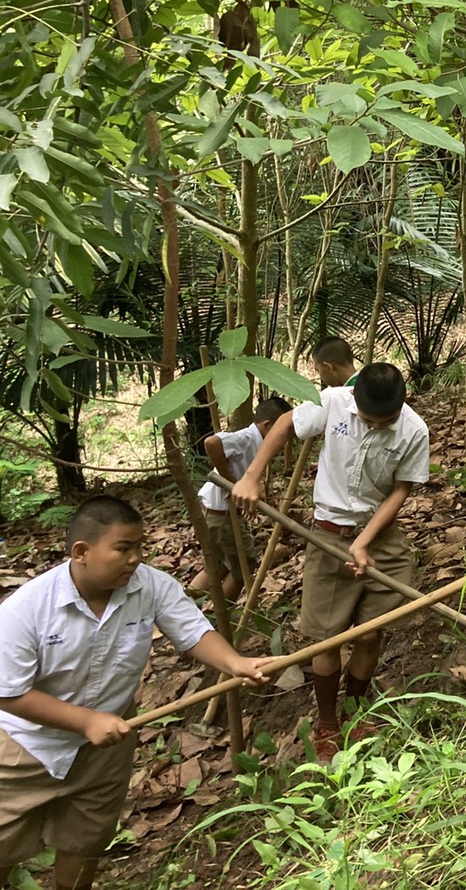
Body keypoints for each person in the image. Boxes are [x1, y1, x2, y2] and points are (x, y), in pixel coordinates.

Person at [0, 496, 273, 890]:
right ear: (81, 552)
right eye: (123, 548)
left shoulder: (151, 586)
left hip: (105, 745)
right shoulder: (26, 609)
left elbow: (193, 630)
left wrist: (235, 663)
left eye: (140, 547)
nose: (135, 559)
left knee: (85, 839)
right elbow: (8, 693)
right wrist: (85, 721)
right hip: (23, 746)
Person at [231, 363, 429, 759]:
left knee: (369, 635)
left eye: (385, 422)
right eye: (369, 421)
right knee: (327, 640)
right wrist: (252, 475)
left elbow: (400, 490)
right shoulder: (333, 402)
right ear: (354, 399)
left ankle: (356, 713)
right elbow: (286, 423)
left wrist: (364, 542)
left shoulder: (413, 430)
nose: (376, 427)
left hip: (379, 536)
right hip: (327, 536)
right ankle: (327, 724)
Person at [190, 395, 292, 600]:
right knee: (242, 566)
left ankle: (185, 608)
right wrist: (231, 482)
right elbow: (212, 442)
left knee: (216, 566)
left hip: (216, 511)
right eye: (283, 432)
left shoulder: (257, 445)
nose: (284, 440)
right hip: (221, 515)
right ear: (267, 426)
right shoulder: (247, 438)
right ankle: (220, 614)